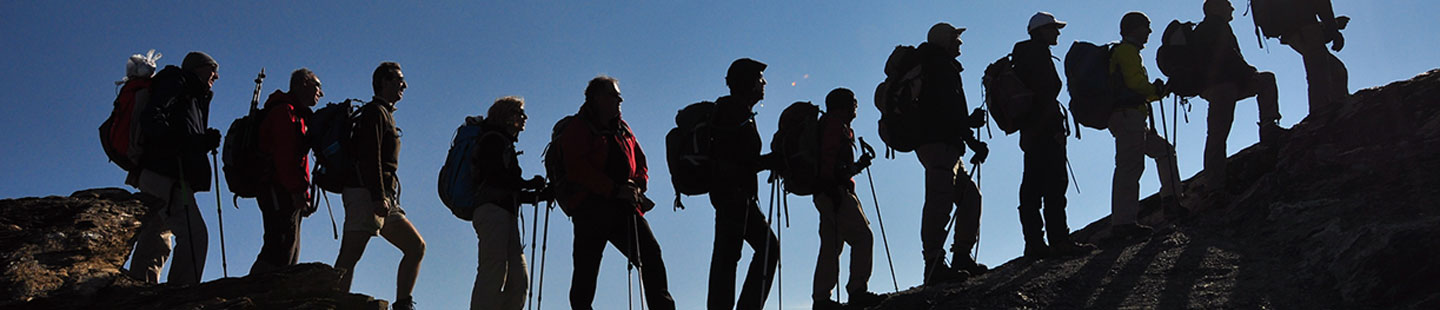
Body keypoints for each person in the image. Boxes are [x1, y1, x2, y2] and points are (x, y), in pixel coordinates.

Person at [562, 76, 676, 310]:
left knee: (651, 256)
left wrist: (637, 186)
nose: (620, 99)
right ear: (597, 98)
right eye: (614, 95)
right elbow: (576, 166)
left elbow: (640, 161)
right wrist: (614, 189)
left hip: (624, 207)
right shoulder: (579, 127)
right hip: (591, 210)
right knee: (586, 273)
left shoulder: (623, 128)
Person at [334, 61, 426, 310]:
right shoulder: (375, 112)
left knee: (416, 246)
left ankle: (403, 304)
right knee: (350, 255)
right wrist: (377, 195)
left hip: (383, 195)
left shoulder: (384, 113)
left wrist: (383, 195)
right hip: (367, 193)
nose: (403, 85)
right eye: (398, 79)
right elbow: (369, 155)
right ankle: (331, 303)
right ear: (383, 82)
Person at [128, 51, 222, 285]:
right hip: (167, 172)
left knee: (156, 237)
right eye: (212, 68)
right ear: (198, 67)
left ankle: (139, 292)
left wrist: (198, 141)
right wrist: (195, 143)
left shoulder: (190, 93)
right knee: (194, 235)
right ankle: (183, 295)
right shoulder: (178, 83)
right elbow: (152, 119)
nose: (216, 76)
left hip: (155, 172)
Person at [1012, 13, 1094, 259]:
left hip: (1029, 131)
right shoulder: (1038, 55)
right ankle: (1059, 240)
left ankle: (1034, 244)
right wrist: (1055, 128)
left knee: (1032, 188)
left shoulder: (1023, 56)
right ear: (1041, 31)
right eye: (1053, 29)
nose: (1057, 33)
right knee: (1055, 186)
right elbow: (1046, 94)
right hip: (1045, 130)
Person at [914, 22, 989, 284]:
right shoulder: (940, 67)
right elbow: (949, 112)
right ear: (944, 40)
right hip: (940, 145)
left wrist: (966, 131)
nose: (960, 43)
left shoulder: (935, 66)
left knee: (968, 197)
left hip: (941, 145)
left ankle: (958, 258)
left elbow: (949, 113)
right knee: (940, 203)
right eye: (956, 38)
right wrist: (971, 134)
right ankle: (935, 264)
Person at [707, 58, 781, 309]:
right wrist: (770, 161)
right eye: (760, 78)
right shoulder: (734, 112)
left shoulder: (735, 110)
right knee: (731, 258)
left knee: (730, 257)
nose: (764, 83)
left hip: (735, 195)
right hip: (734, 195)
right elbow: (737, 161)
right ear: (748, 82)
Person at [1196, 0, 1286, 195]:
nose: (1232, 8)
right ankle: (1214, 186)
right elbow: (1227, 55)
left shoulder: (1210, 27)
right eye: (1227, 4)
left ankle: (1214, 184)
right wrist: (1248, 72)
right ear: (1214, 8)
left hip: (1221, 85)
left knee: (1217, 134)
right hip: (1222, 85)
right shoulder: (1214, 26)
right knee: (1218, 133)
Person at [1108, 12, 1183, 238]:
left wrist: (1155, 92)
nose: (1149, 31)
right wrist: (1156, 90)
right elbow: (1136, 84)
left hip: (1129, 116)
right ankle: (1123, 223)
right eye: (1146, 27)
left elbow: (1134, 87)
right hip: (1128, 116)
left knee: (1164, 151)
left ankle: (1170, 201)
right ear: (1134, 28)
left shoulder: (1123, 52)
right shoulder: (1127, 52)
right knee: (1130, 167)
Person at [470, 96, 546, 310]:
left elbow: (506, 186)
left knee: (517, 279)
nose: (524, 118)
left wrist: (532, 192)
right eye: (519, 113)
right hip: (493, 212)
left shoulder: (500, 142)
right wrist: (528, 185)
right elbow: (497, 178)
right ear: (506, 117)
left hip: (502, 213)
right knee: (493, 273)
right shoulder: (493, 141)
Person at [810, 88, 882, 309]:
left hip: (824, 192)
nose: (856, 106)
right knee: (863, 237)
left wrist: (857, 166)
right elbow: (830, 158)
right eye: (853, 102)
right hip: (836, 191)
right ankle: (857, 290)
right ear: (843, 106)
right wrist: (833, 185)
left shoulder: (826, 124)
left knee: (831, 245)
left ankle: (821, 299)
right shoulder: (834, 125)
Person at [249, 68, 321, 274]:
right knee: (279, 246)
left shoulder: (294, 113)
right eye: (317, 85)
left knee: (287, 247)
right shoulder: (285, 112)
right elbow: (285, 156)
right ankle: (254, 295)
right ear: (303, 83)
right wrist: (298, 192)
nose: (320, 93)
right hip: (278, 188)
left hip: (282, 189)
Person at [1278, 0, 1349, 117]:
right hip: (1306, 28)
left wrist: (1332, 26)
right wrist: (1334, 30)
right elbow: (1322, 5)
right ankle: (1322, 112)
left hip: (1292, 34)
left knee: (1334, 70)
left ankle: (1329, 109)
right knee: (1322, 72)